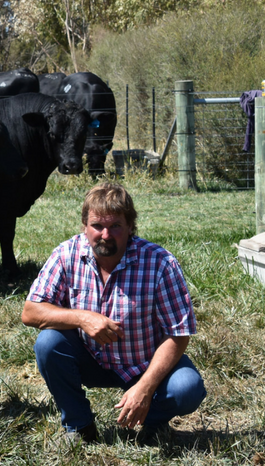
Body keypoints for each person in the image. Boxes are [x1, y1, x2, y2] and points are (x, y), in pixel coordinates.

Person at [22, 182, 206, 445]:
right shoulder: (67, 254)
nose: (105, 235)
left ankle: (152, 422)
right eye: (97, 226)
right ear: (84, 226)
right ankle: (79, 425)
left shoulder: (160, 263)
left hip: (143, 362)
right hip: (88, 358)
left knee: (187, 388)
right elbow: (30, 312)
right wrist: (82, 318)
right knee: (48, 344)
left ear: (131, 227)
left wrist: (145, 387)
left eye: (115, 226)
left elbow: (179, 333)